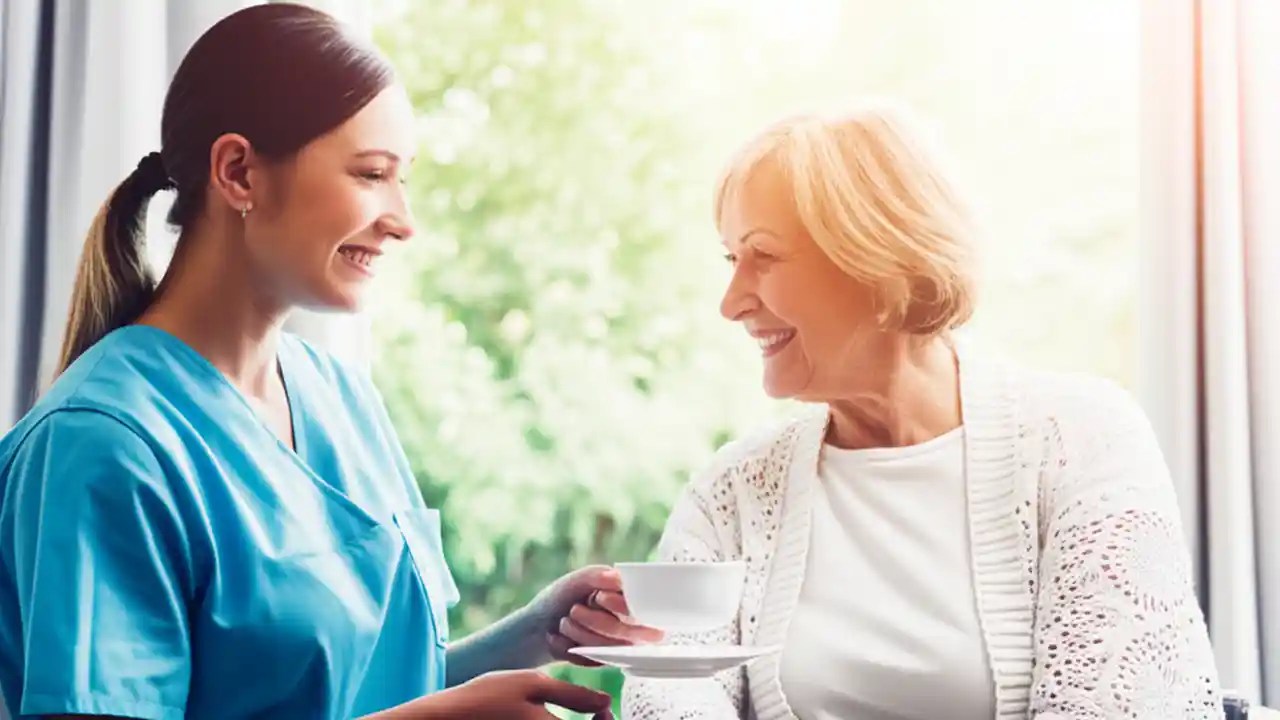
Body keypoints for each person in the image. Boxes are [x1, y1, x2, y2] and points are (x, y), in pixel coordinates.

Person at [0, 5, 658, 719]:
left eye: (403, 179)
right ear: (239, 172)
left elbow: (358, 687)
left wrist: (535, 633)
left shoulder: (338, 395)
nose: (403, 219)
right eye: (372, 174)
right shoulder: (102, 446)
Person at [623, 106, 1222, 719]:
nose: (731, 303)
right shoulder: (734, 492)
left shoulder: (1083, 441)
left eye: (765, 257)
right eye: (731, 260)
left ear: (879, 263)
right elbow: (667, 690)